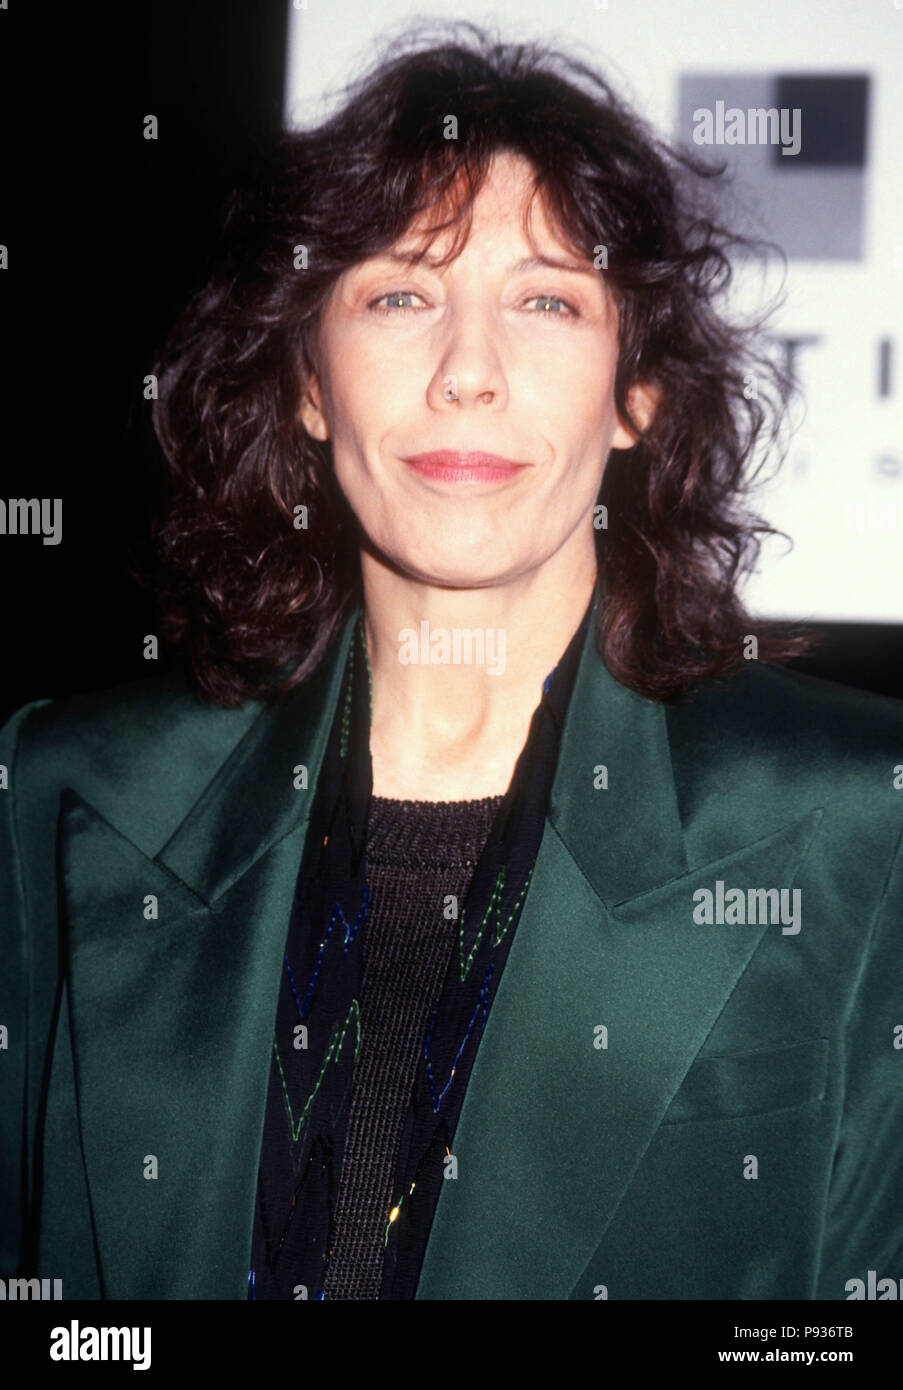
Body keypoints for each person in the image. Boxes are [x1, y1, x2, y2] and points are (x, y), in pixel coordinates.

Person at [1, 25, 901, 1302]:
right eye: (400, 294)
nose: (467, 372)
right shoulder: (64, 789)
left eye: (545, 300)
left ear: (636, 390)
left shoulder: (861, 818)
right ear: (310, 379)